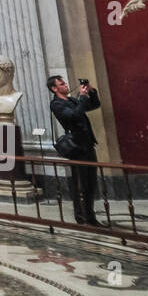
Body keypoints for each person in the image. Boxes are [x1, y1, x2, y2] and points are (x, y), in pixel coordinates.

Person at [48, 75, 103, 226]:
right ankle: (81, 216)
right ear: (54, 88)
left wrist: (90, 92)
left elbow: (94, 105)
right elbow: (74, 115)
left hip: (88, 145)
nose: (66, 85)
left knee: (90, 183)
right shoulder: (56, 104)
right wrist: (83, 97)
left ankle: (90, 216)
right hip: (77, 148)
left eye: (65, 82)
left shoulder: (71, 100)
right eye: (62, 84)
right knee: (81, 183)